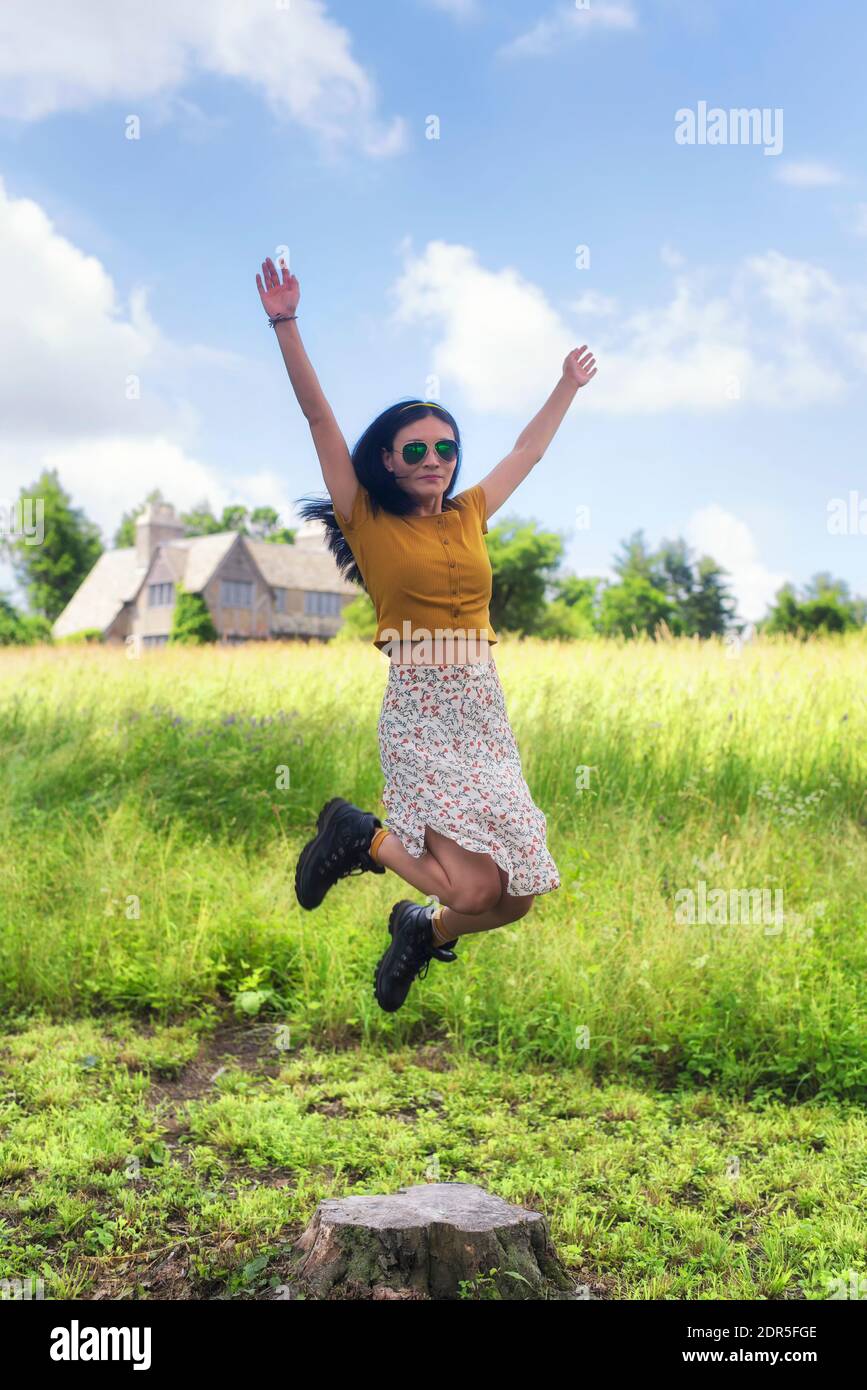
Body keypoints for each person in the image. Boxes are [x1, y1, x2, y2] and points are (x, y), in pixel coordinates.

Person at [255, 255, 597, 1013]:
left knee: (512, 898)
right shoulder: (365, 517)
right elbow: (318, 418)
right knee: (475, 882)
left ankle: (422, 931)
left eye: (444, 449)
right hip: (421, 708)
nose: (434, 461)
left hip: (482, 709)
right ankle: (360, 836)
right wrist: (286, 324)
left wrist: (565, 386)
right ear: (386, 459)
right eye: (416, 449)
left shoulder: (469, 511)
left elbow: (527, 453)